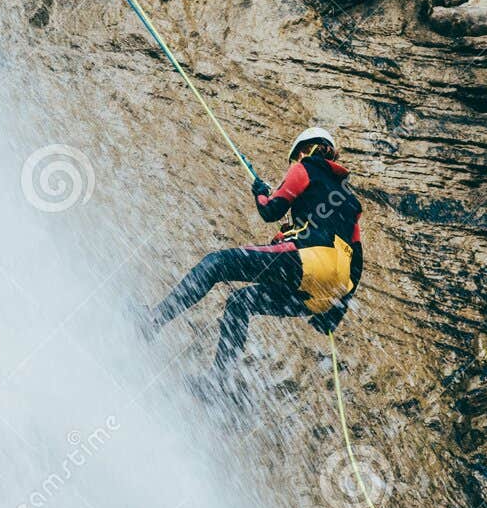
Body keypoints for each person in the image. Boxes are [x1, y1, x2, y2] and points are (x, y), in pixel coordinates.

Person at [144, 127, 364, 393]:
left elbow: (271, 210)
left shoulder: (305, 167)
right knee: (241, 302)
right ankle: (217, 385)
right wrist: (335, 310)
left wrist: (260, 192)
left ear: (304, 150)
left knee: (217, 263)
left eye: (295, 157)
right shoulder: (350, 201)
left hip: (308, 260)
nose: (293, 164)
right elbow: (356, 264)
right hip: (329, 291)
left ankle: (152, 322)